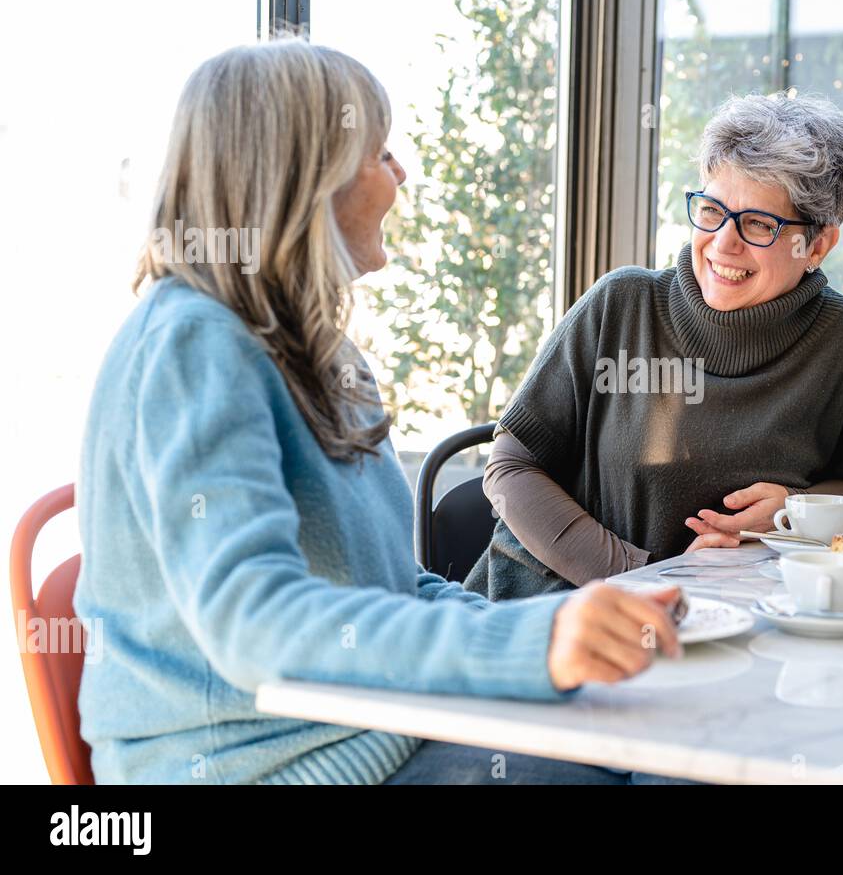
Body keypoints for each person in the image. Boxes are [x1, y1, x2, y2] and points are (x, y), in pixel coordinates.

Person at [74, 40, 681, 784]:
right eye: (379, 153)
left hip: (377, 729)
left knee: (662, 744)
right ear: (303, 178)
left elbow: (394, 586)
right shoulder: (192, 347)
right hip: (264, 766)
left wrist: (541, 631)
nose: (401, 175)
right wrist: (531, 645)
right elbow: (250, 623)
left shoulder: (324, 356)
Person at [465, 93, 843, 600]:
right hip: (558, 610)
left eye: (760, 224)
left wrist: (796, 507)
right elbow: (510, 466)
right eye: (711, 210)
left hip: (736, 621)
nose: (724, 243)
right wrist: (646, 575)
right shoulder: (622, 305)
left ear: (816, 245)